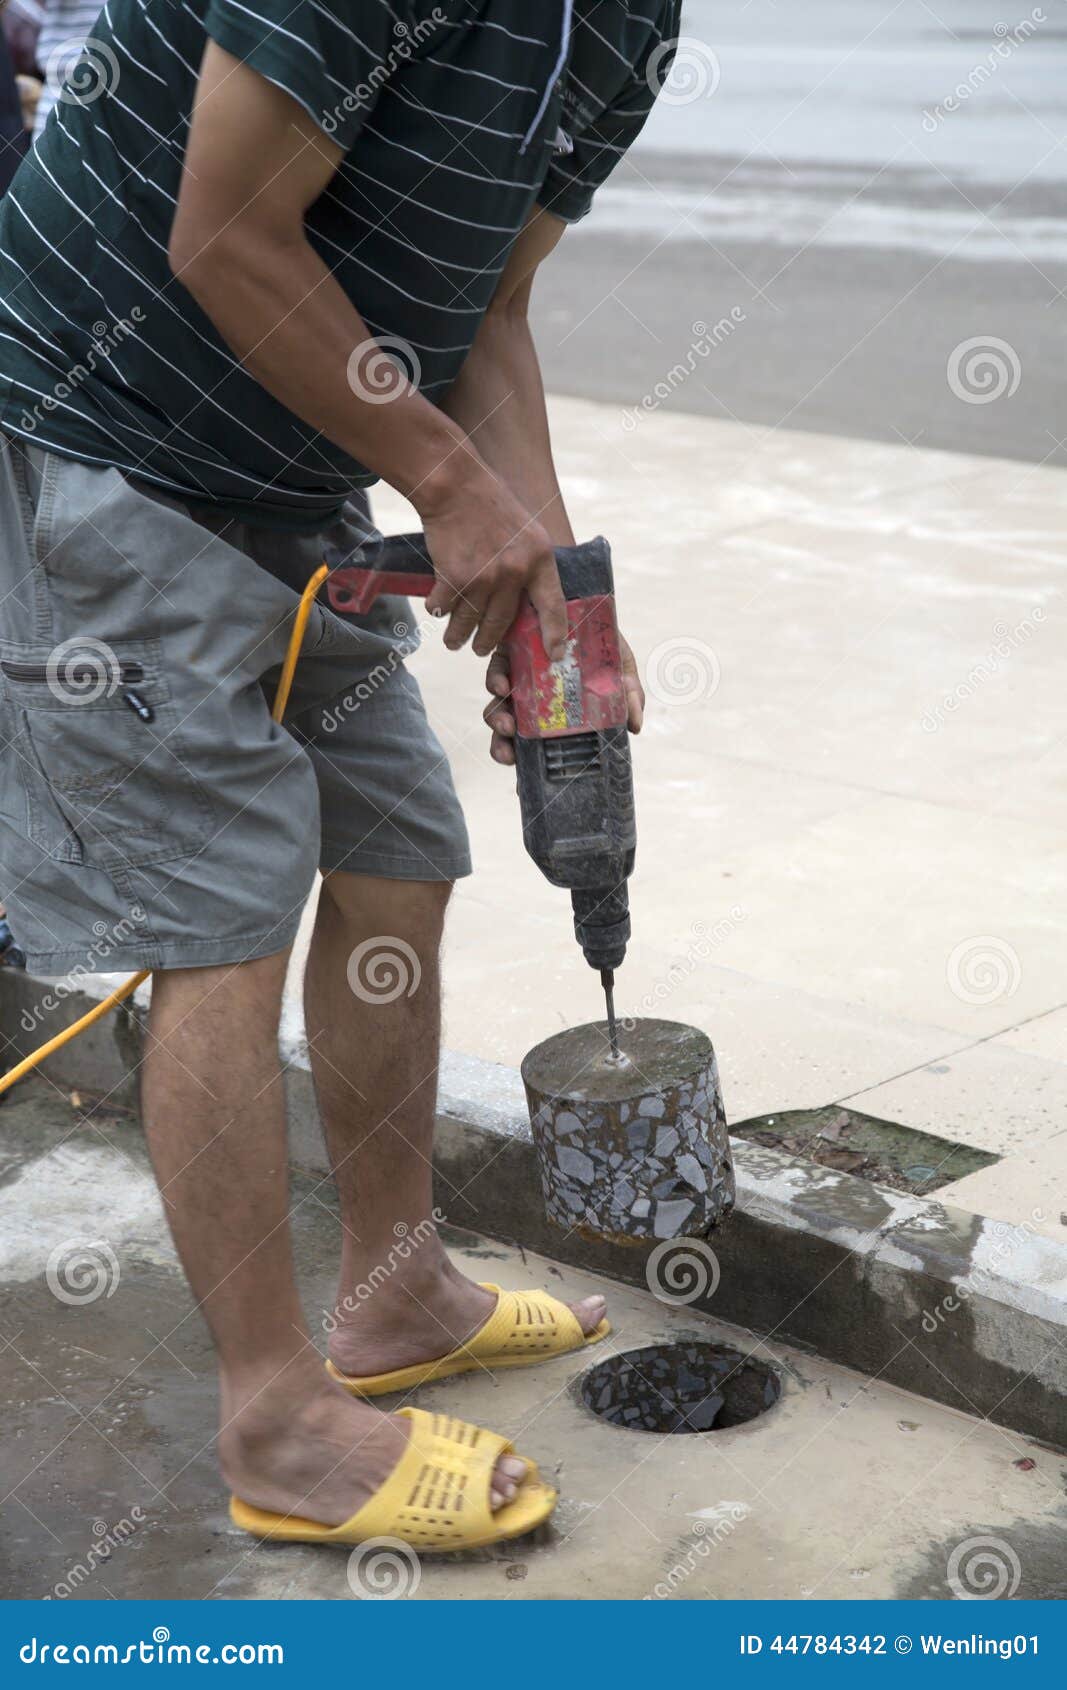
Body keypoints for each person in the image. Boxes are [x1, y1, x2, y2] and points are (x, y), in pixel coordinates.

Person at [0, 0, 672, 1551]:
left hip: (295, 461)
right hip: (96, 424)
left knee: (397, 844)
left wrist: (553, 601)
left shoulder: (637, 15)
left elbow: (489, 305)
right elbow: (228, 225)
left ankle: (394, 1295)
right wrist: (443, 482)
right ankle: (277, 1417)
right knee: (223, 905)